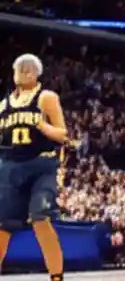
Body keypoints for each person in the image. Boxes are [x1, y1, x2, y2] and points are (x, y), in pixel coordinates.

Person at [0, 54, 68, 281]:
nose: (25, 71)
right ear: (13, 72)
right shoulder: (3, 105)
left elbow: (63, 135)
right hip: (10, 166)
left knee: (40, 219)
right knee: (2, 226)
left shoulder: (46, 98)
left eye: (30, 68)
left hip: (40, 163)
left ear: (38, 74)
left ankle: (56, 277)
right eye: (21, 67)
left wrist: (42, 125)